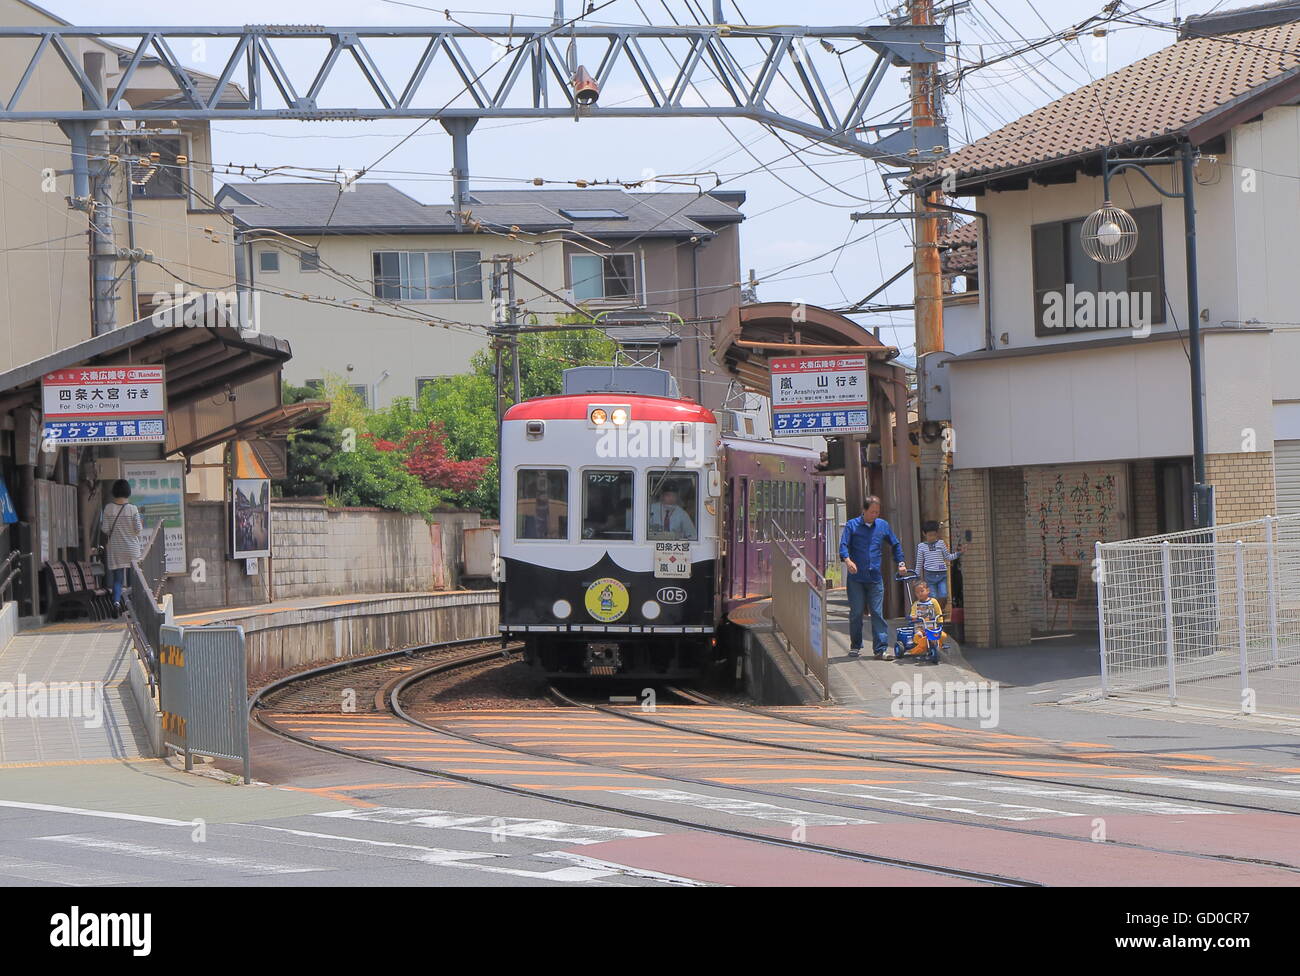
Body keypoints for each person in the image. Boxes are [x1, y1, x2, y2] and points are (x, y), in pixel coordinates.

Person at [838, 496, 907, 658]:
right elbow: (843, 546)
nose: (875, 515)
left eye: (877, 512)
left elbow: (895, 543)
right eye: (872, 512)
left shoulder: (882, 526)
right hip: (856, 578)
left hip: (875, 578)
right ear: (864, 510)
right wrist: (847, 560)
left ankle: (880, 649)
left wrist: (901, 562)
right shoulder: (852, 525)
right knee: (856, 612)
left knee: (877, 612)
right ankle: (855, 645)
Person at [101, 479, 145, 612]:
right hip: (132, 549)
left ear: (114, 492)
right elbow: (138, 530)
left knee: (118, 580)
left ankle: (116, 603)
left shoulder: (108, 508)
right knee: (133, 580)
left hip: (116, 549)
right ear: (128, 492)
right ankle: (132, 606)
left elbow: (105, 529)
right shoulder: (133, 509)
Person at [914, 519, 963, 609]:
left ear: (937, 534)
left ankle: (940, 610)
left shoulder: (941, 543)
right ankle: (935, 614)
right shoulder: (921, 546)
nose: (932, 537)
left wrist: (958, 554)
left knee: (943, 594)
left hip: (942, 573)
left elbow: (948, 557)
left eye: (934, 535)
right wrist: (916, 575)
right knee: (933, 596)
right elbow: (919, 562)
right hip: (930, 574)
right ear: (924, 534)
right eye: (929, 535)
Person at [894, 579, 944, 663]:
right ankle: (919, 646)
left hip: (931, 626)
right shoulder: (916, 604)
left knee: (937, 636)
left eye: (922, 591)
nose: (920, 594)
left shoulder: (933, 601)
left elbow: (938, 612)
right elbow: (912, 614)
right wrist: (913, 616)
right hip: (920, 627)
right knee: (918, 635)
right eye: (917, 592)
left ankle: (933, 648)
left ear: (927, 590)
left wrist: (940, 621)